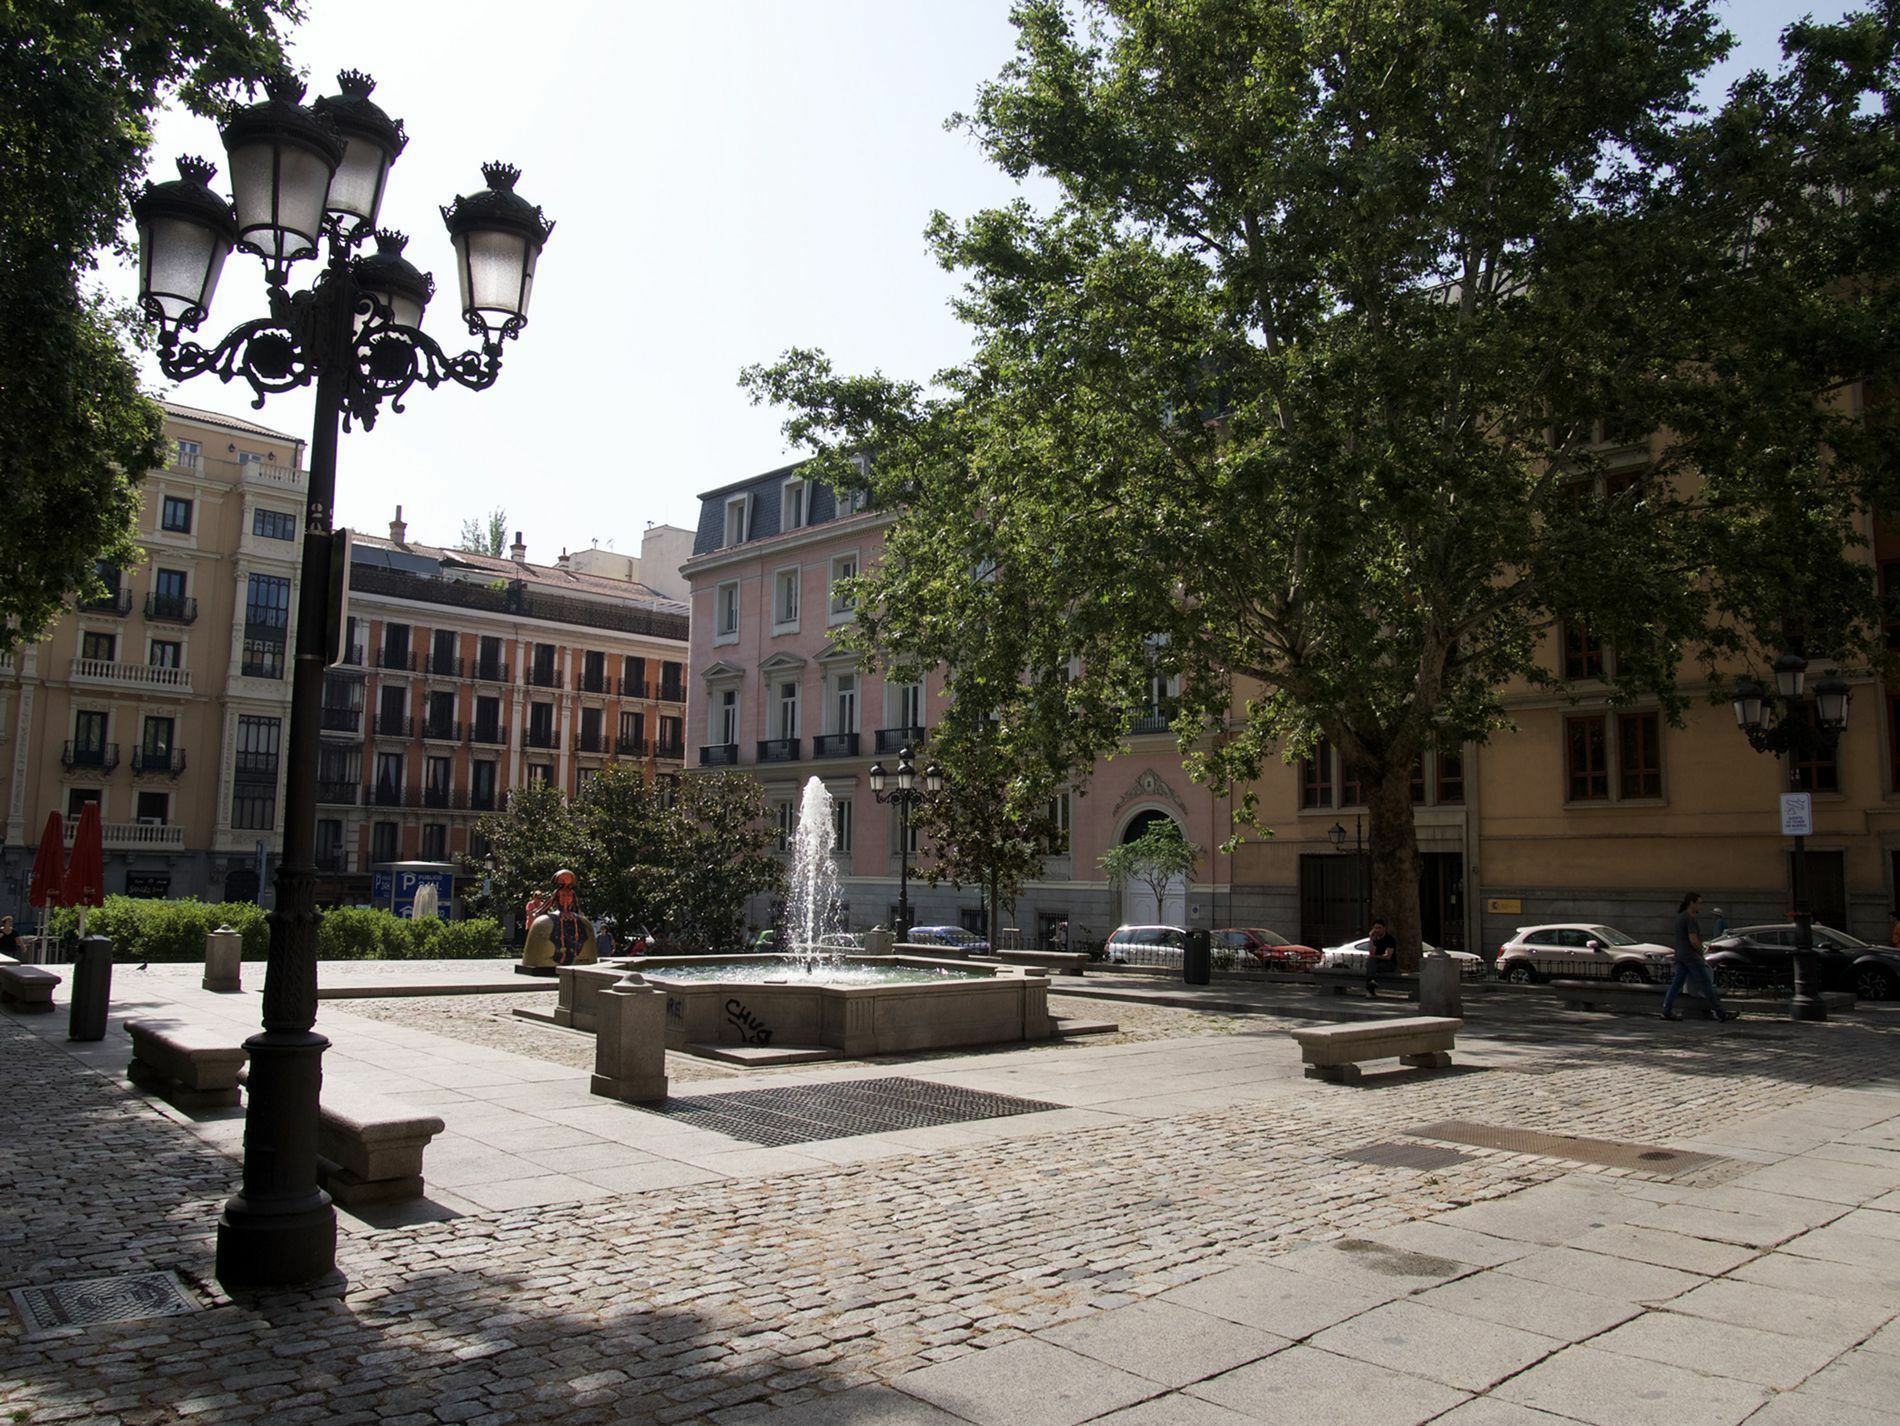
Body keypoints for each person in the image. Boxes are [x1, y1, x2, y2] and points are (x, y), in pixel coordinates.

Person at [1661, 891, 1735, 1022]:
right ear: (1691, 903)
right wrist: (1701, 952)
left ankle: (1666, 1010)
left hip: (1680, 955)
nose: (1701, 906)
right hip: (1691, 956)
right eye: (1699, 903)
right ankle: (1720, 1013)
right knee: (1706, 984)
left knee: (1676, 984)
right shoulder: (1690, 919)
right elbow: (1693, 939)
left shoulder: (1679, 917)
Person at [1365, 916, 1397, 997]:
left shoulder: (1389, 939)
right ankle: (1372, 982)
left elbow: (1388, 956)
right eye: (1375, 928)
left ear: (1384, 928)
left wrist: (1374, 957)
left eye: (1379, 928)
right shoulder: (1375, 940)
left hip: (1389, 964)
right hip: (1377, 965)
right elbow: (1371, 952)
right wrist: (1371, 939)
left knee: (1371, 963)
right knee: (1371, 963)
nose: (1377, 930)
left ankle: (1370, 988)